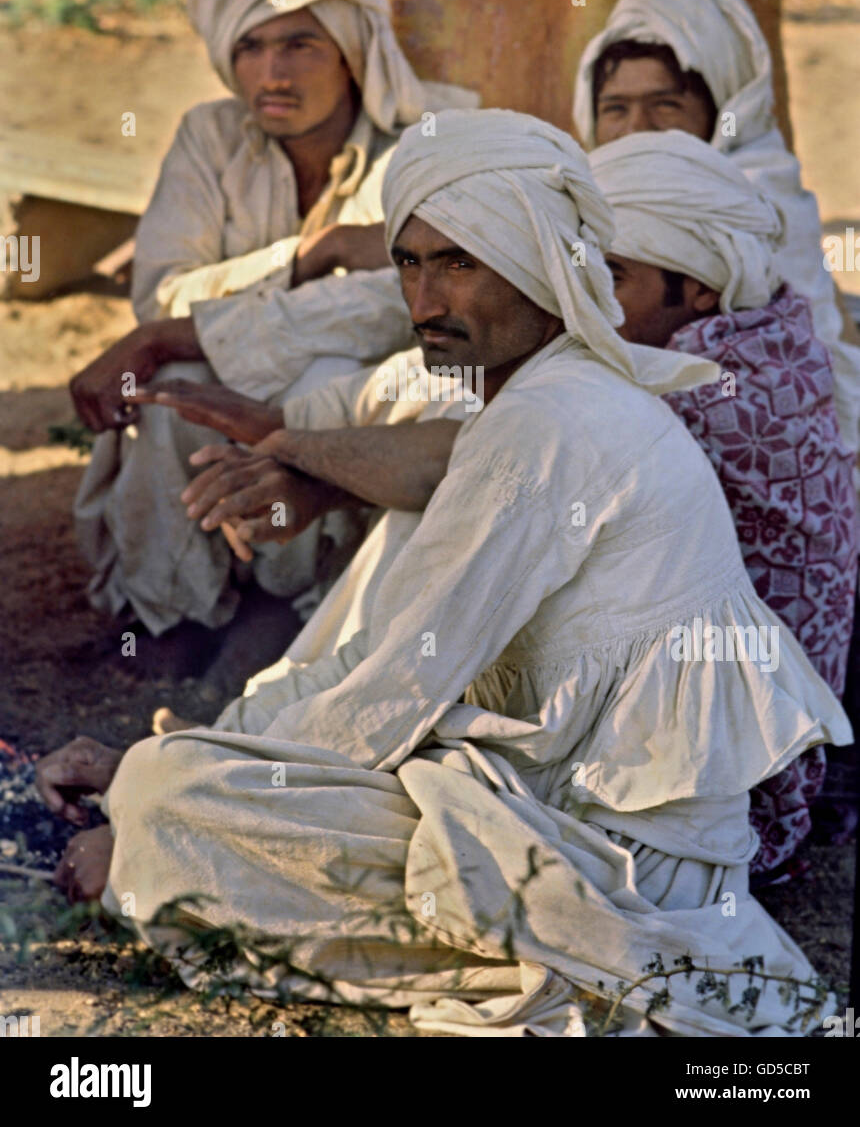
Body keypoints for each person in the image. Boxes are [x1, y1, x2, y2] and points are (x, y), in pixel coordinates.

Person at [39, 110, 849, 1037]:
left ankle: (159, 857)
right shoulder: (542, 398)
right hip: (551, 803)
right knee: (174, 779)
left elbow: (389, 695)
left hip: (618, 867)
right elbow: (384, 660)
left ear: (541, 265)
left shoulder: (549, 424)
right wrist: (186, 756)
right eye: (410, 263)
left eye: (461, 263)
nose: (426, 300)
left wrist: (148, 810)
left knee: (176, 803)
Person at [71, 0, 476, 665]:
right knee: (173, 390)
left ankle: (307, 611)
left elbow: (400, 303)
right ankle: (177, 612)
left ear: (352, 51)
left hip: (366, 380)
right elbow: (164, 293)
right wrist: (313, 255)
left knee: (334, 382)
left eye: (299, 45)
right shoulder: (210, 137)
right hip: (245, 369)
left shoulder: (433, 139)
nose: (272, 74)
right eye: (250, 48)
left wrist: (190, 328)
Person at [588, 129, 858, 879]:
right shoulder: (774, 328)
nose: (588, 302)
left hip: (740, 791)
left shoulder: (703, 383)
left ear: (701, 287)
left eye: (613, 276)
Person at [572, 0, 860, 457]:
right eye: (616, 108)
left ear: (725, 105)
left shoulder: (747, 204)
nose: (637, 129)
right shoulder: (595, 192)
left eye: (666, 105)